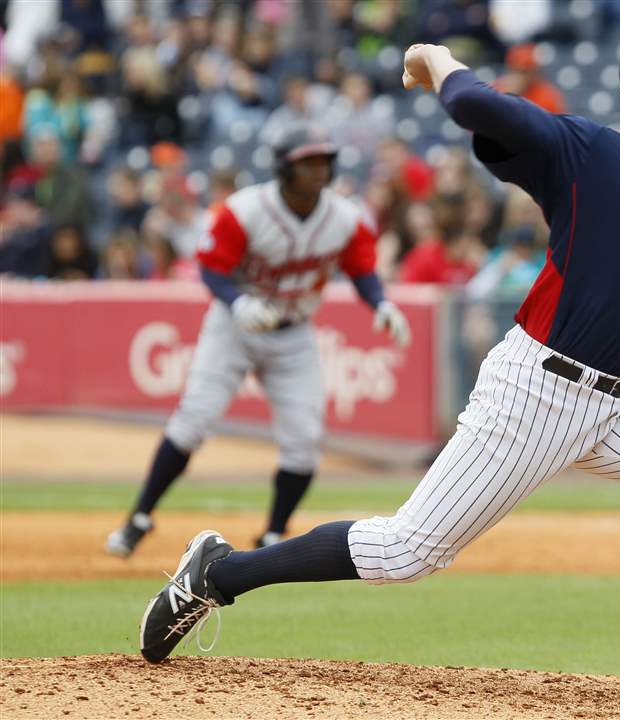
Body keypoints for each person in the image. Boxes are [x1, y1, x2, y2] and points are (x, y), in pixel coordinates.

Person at [135, 24, 620, 719]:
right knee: (406, 551)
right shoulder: (588, 153)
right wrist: (435, 59)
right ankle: (219, 573)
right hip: (539, 389)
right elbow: (477, 105)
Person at [105, 123, 411, 558]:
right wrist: (237, 301)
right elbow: (212, 268)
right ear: (284, 167)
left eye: (324, 161)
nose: (318, 170)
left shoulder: (343, 216)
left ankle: (272, 535)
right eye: (308, 162)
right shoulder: (246, 210)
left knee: (304, 441)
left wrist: (380, 304)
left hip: (294, 332)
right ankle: (139, 518)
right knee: (194, 420)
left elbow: (361, 269)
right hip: (235, 327)